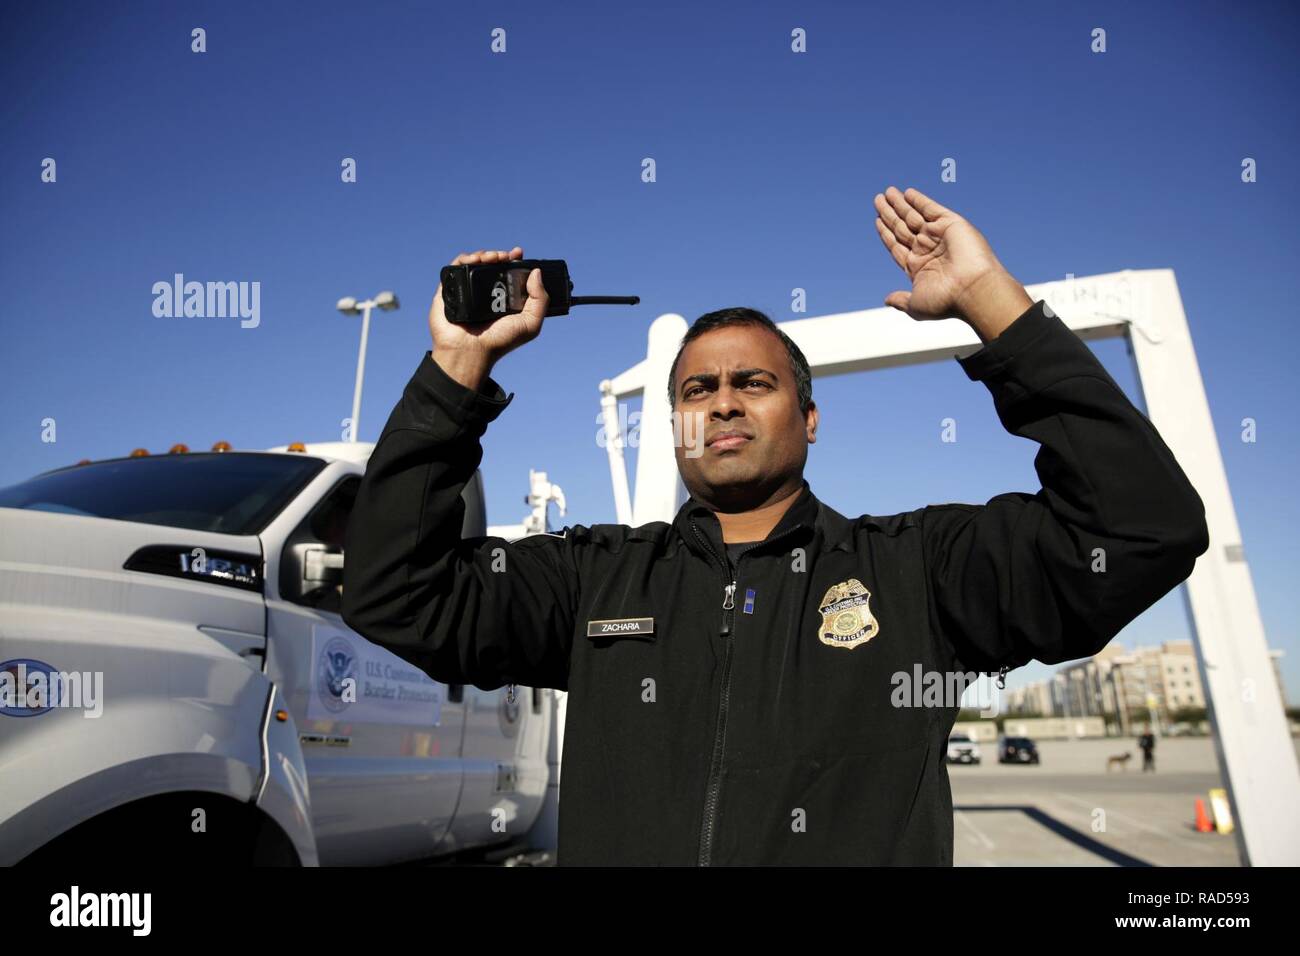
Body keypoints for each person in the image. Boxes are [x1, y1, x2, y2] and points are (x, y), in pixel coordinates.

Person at [341, 186, 1209, 865]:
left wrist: (991, 303)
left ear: (810, 417)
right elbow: (395, 597)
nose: (721, 401)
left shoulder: (921, 571)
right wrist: (455, 369)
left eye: (753, 384)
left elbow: (1144, 528)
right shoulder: (594, 576)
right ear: (676, 426)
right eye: (694, 390)